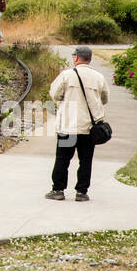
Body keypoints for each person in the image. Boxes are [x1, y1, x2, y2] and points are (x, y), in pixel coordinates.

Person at [46, 46, 109, 202]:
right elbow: (105, 98)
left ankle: (58, 190)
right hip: (89, 128)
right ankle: (81, 192)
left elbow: (54, 94)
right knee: (86, 160)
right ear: (90, 58)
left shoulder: (67, 75)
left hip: (68, 126)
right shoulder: (99, 77)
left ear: (75, 58)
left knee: (62, 159)